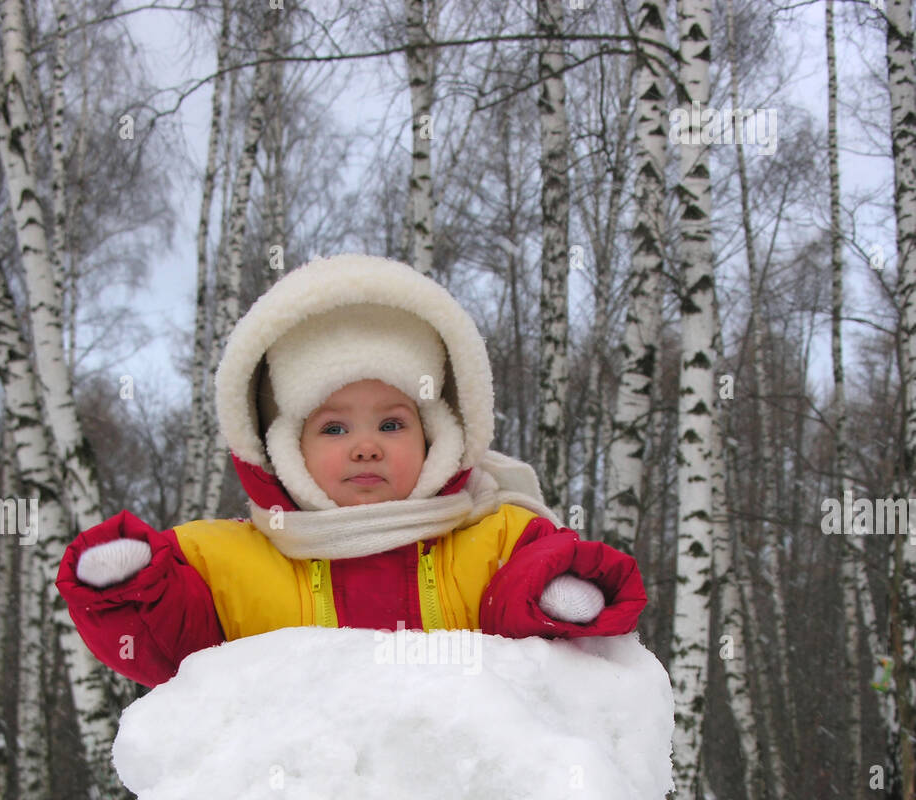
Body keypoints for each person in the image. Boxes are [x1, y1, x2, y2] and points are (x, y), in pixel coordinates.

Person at [56, 253, 647, 687]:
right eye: (334, 429)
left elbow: (520, 589)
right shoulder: (227, 560)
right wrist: (129, 591)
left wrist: (548, 597)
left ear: (437, 437)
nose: (366, 447)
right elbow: (167, 641)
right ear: (286, 449)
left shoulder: (492, 539)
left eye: (392, 425)